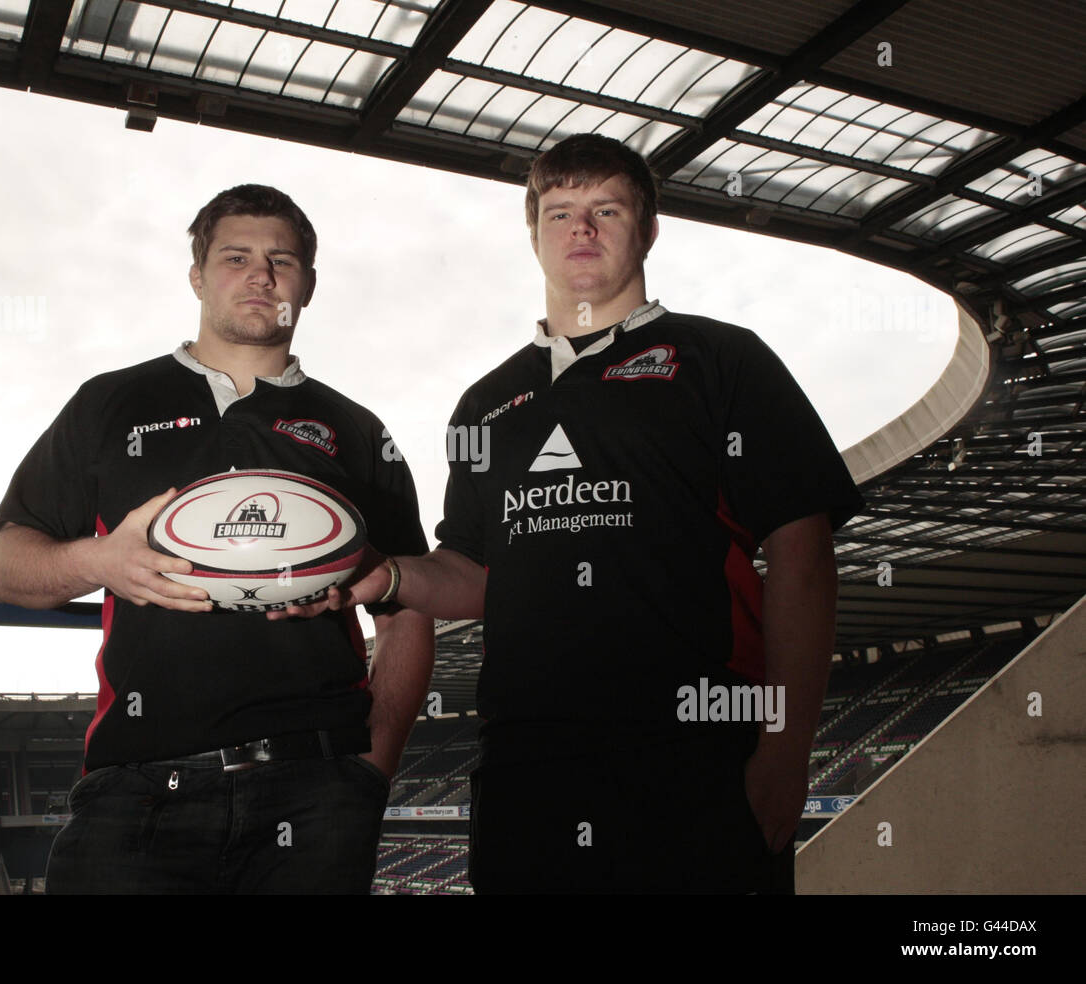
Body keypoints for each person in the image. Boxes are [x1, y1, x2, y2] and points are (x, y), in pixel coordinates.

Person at [275, 135, 864, 893]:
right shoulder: (485, 404)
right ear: (534, 235)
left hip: (694, 752)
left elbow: (803, 555)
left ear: (647, 230)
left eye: (605, 209)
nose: (581, 229)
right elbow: (474, 573)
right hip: (527, 767)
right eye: (560, 213)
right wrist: (384, 577)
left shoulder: (723, 360)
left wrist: (786, 751)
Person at [0, 184, 434, 894]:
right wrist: (98, 560)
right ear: (197, 275)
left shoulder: (355, 429)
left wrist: (372, 768)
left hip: (316, 787)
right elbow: (6, 567)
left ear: (308, 286)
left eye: (282, 261)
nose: (261, 275)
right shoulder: (109, 402)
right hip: (135, 790)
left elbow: (409, 603)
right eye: (235, 257)